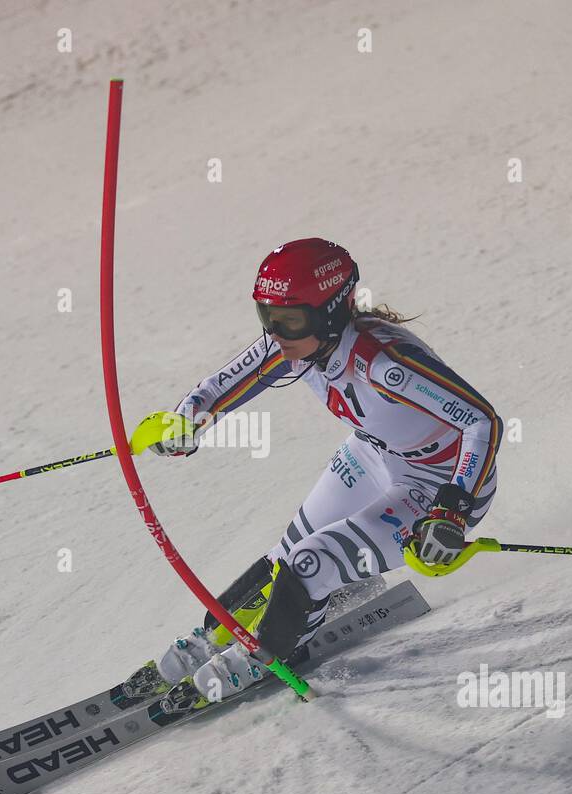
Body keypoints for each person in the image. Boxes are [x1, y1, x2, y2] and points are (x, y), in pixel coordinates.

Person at [126, 238, 502, 707]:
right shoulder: (296, 344)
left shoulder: (383, 364)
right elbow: (219, 388)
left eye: (289, 319)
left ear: (328, 313)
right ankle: (213, 637)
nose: (275, 333)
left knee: (311, 562)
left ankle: (263, 658)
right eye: (267, 317)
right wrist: (185, 422)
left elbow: (480, 420)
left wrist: (452, 511)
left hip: (436, 484)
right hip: (373, 454)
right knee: (285, 556)